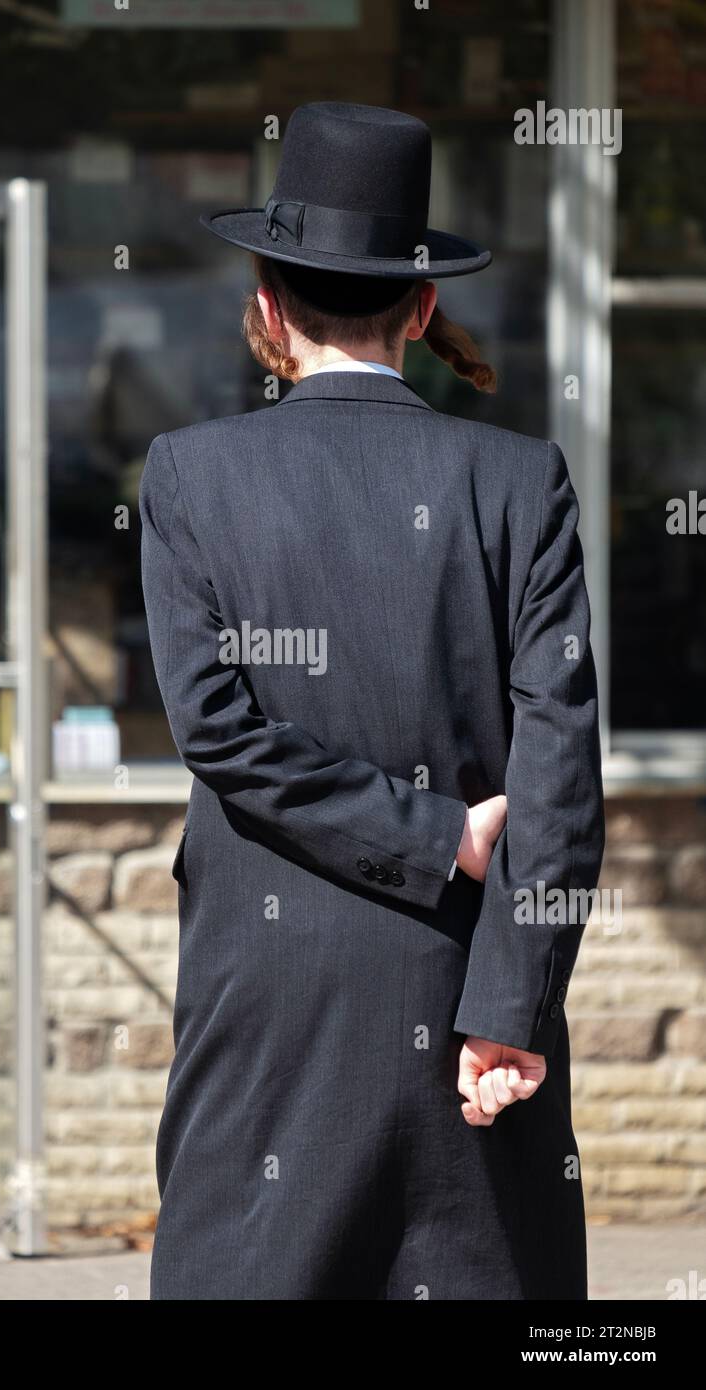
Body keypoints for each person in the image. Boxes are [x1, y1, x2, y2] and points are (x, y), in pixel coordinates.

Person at [140, 102, 604, 1301]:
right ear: (423, 306)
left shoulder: (192, 474)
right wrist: (507, 1003)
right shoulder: (519, 480)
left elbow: (217, 733)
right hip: (467, 1012)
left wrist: (431, 836)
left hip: (264, 1013)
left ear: (267, 302)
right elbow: (558, 764)